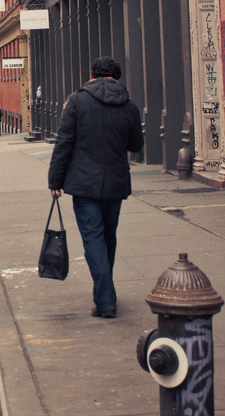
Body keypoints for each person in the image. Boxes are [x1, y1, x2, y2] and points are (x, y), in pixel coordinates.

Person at [47, 57, 144, 318]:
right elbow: (136, 145)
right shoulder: (129, 105)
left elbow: (64, 142)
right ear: (116, 77)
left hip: (84, 184)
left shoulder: (77, 101)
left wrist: (54, 181)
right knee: (108, 238)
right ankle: (105, 294)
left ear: (93, 75)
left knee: (93, 240)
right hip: (115, 183)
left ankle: (105, 300)